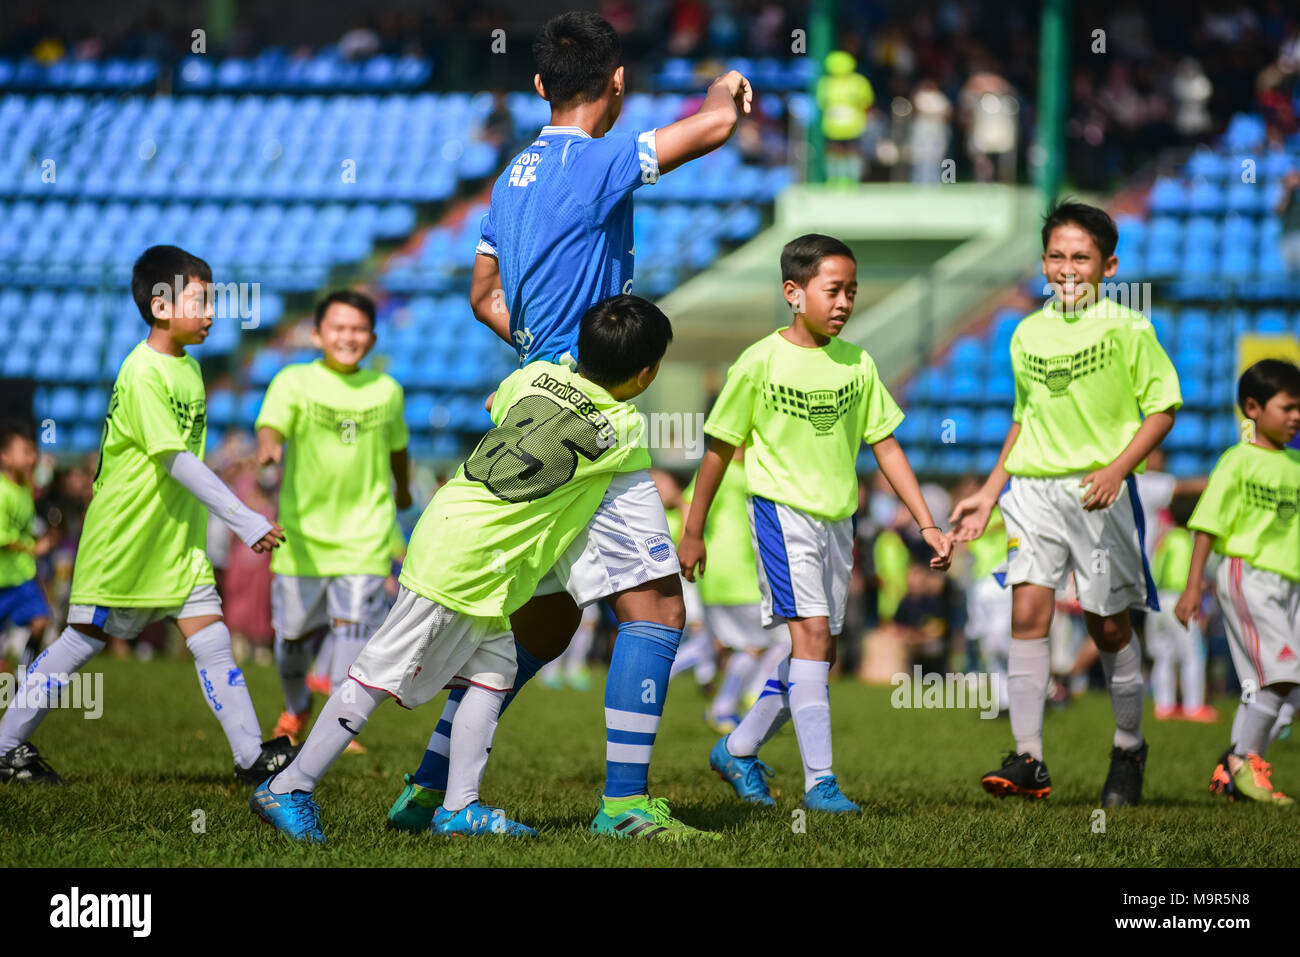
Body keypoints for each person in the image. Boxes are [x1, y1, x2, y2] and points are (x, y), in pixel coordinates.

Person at [388, 10, 752, 840]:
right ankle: (624, 804)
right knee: (655, 608)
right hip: (588, 408)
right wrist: (725, 84)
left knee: (546, 622)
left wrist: (535, 346)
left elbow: (482, 296)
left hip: (525, 396)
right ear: (616, 83)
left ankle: (428, 784)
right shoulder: (601, 159)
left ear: (541, 84)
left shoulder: (508, 176)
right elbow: (719, 123)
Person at [251, 295, 679, 842]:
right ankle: (290, 786)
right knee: (378, 673)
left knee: (493, 673)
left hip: (459, 534)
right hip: (466, 559)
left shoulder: (537, 375)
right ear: (645, 376)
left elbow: (494, 402)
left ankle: (459, 807)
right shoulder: (620, 429)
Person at [0, 245, 293, 785]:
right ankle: (6, 744)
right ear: (160, 306)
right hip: (126, 542)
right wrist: (243, 517)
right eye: (200, 300)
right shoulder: (141, 372)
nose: (211, 313)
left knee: (211, 636)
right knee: (82, 639)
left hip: (175, 542)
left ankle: (252, 757)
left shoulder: (189, 369)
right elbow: (177, 461)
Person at [680, 234, 952, 814]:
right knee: (809, 640)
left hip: (838, 522)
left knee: (818, 653)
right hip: (781, 516)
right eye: (834, 290)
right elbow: (718, 450)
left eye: (852, 291)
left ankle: (738, 747)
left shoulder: (859, 362)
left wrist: (927, 522)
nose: (845, 302)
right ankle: (820, 784)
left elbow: (887, 446)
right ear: (793, 293)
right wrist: (694, 528)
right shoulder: (758, 362)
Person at [950, 201, 1182, 806]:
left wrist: (1116, 469)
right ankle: (1030, 758)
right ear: (1044, 261)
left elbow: (1162, 409)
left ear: (1110, 266)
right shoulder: (1027, 332)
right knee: (1027, 614)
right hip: (1031, 493)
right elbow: (1024, 420)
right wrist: (987, 493)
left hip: (1099, 491)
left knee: (1107, 626)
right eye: (1057, 255)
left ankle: (1129, 747)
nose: (1068, 268)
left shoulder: (1129, 328)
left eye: (1082, 257)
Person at [256, 290, 411, 756]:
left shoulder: (387, 390)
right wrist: (268, 445)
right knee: (291, 641)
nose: (349, 337)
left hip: (364, 536)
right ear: (319, 334)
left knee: (352, 635)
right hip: (300, 538)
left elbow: (398, 450)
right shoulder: (293, 381)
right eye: (339, 328)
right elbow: (271, 425)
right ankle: (296, 705)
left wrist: (403, 491)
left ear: (372, 337)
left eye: (358, 329)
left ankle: (335, 731)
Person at [1176, 359, 1300, 805]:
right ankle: (1244, 763)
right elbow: (1206, 525)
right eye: (1287, 407)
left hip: (1291, 586)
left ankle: (1236, 767)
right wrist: (1192, 588)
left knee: (1283, 683)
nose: (1296, 417)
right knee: (1282, 675)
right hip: (1249, 577)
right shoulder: (1237, 462)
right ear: (1253, 407)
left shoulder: (1296, 466)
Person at [0, 421, 51, 675]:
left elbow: (24, 529)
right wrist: (32, 547)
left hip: (21, 578)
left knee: (41, 621)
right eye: (25, 451)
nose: (32, 458)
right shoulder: (1, 490)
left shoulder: (26, 489)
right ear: (5, 455)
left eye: (34, 452)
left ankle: (25, 673)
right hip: (2, 579)